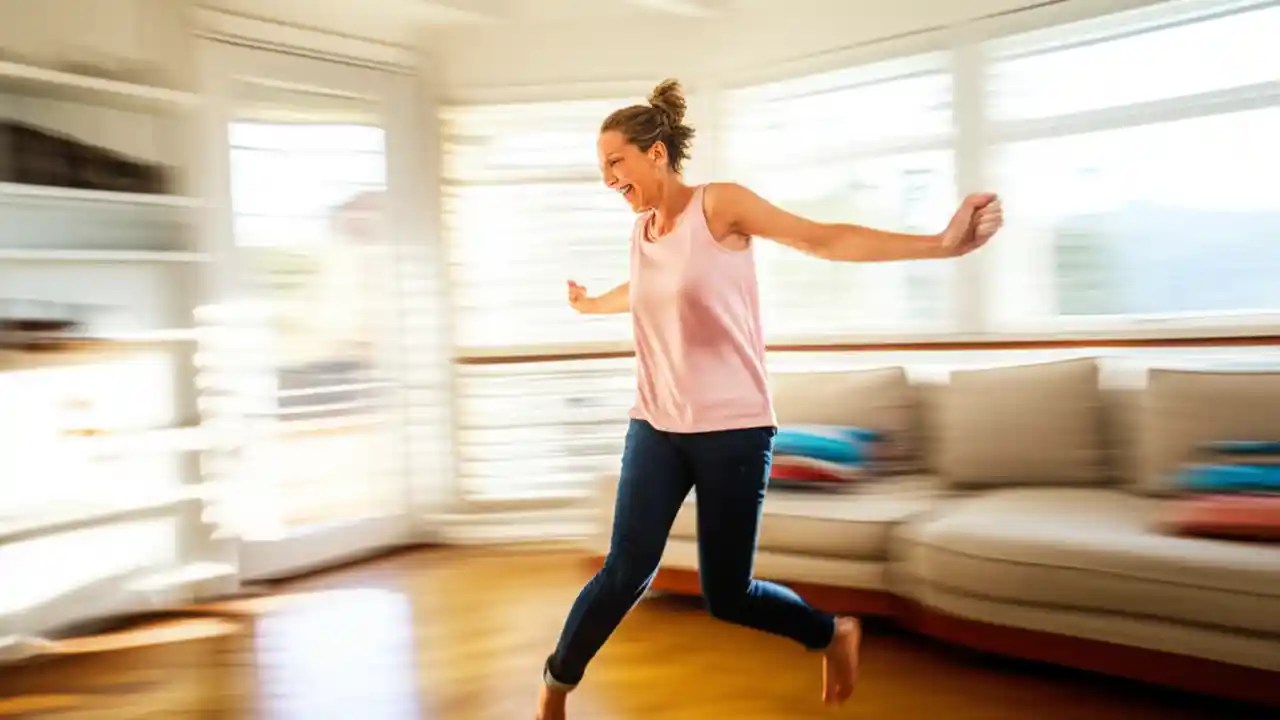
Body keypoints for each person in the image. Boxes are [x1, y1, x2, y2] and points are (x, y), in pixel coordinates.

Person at [537, 78, 1002, 720]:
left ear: (656, 154)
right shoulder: (643, 231)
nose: (607, 177)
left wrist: (941, 245)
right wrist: (591, 304)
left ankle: (830, 633)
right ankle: (554, 692)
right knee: (624, 571)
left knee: (725, 595)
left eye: (615, 161)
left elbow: (822, 238)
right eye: (601, 168)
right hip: (656, 425)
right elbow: (645, 287)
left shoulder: (719, 205)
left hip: (734, 430)